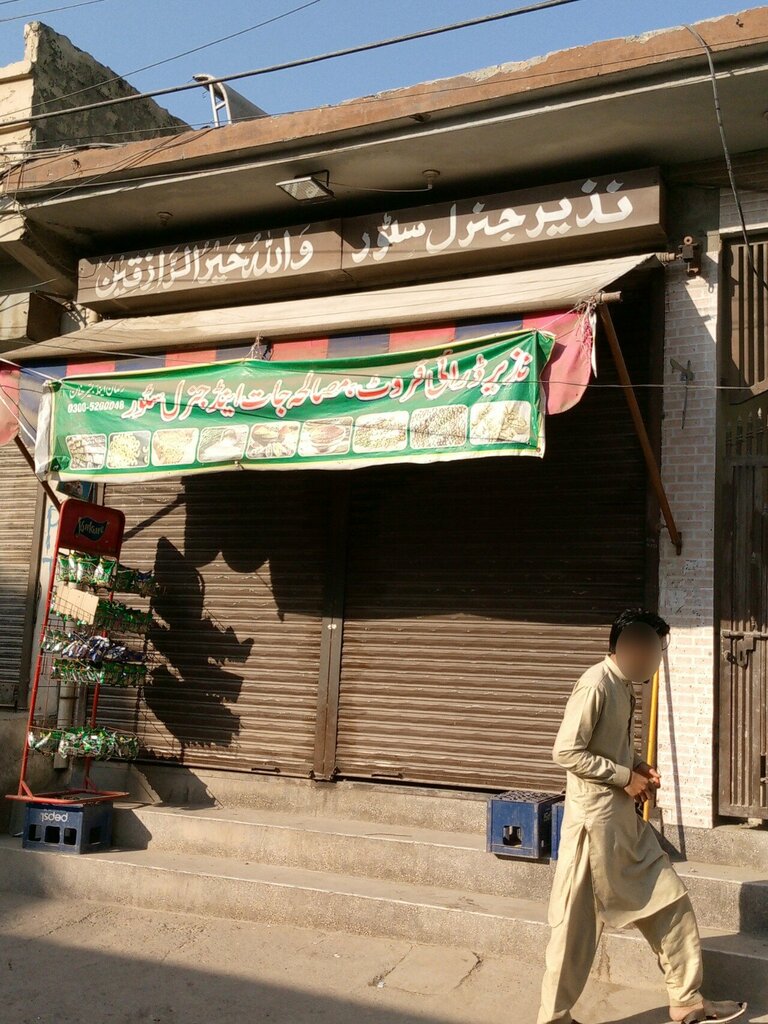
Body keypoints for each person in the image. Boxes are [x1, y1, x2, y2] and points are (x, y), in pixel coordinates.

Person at [537, 608, 746, 1024]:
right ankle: (554, 1018)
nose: (657, 657)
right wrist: (622, 776)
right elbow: (566, 751)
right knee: (573, 934)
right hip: (593, 832)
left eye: (659, 648)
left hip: (625, 827)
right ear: (627, 647)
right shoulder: (595, 684)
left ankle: (686, 999)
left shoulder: (623, 686)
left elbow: (608, 744)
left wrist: (638, 766)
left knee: (671, 901)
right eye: (652, 647)